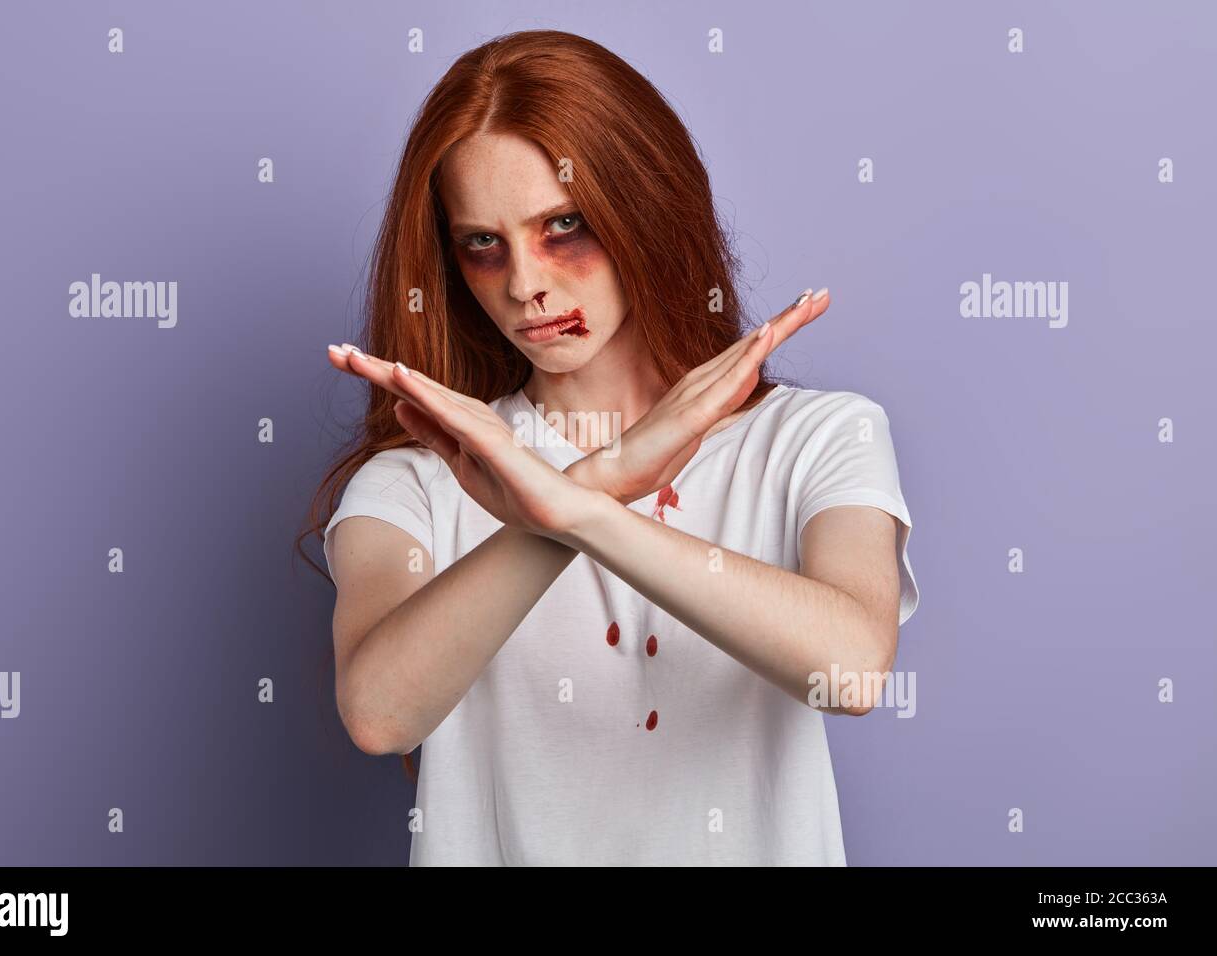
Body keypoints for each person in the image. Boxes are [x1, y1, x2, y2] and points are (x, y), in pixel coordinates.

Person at [309, 30, 920, 865]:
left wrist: (581, 507)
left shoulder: (820, 437)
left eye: (562, 226)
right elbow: (380, 714)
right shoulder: (413, 482)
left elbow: (852, 671)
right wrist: (597, 486)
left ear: (644, 205)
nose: (525, 283)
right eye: (483, 243)